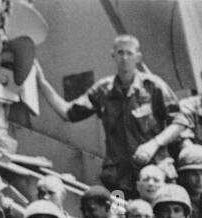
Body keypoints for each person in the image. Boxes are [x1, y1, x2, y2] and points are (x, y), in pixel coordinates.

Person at [32, 34, 179, 193]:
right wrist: (42, 83)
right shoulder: (103, 90)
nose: (124, 58)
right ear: (113, 56)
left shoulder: (153, 86)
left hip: (153, 177)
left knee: (158, 213)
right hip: (119, 183)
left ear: (138, 57)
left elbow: (180, 120)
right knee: (117, 215)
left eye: (129, 53)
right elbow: (68, 113)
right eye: (120, 53)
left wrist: (154, 144)